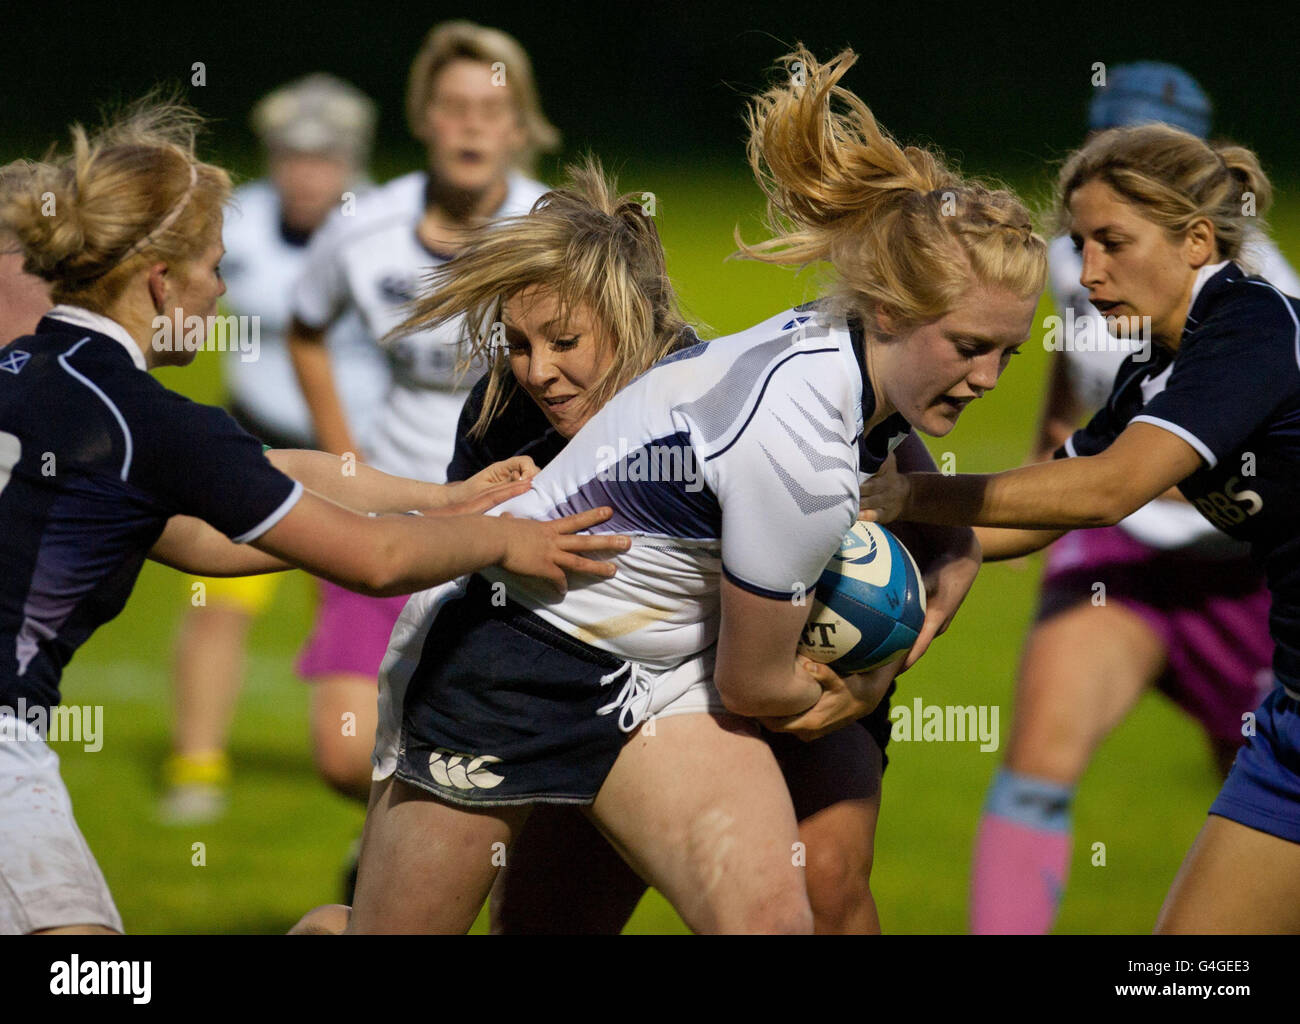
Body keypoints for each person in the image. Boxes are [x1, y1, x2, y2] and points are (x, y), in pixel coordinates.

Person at [300, 46, 1045, 934]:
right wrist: (866, 685)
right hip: (515, 663)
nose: (992, 377)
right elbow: (762, 683)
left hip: (670, 679)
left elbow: (905, 465)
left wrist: (946, 558)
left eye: (1009, 351)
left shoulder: (847, 349)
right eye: (969, 347)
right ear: (889, 311)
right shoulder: (795, 442)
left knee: (778, 918)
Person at [0, 97, 625, 935]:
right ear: (161, 282)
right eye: (214, 269)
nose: (221, 291)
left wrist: (444, 499)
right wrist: (507, 538)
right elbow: (372, 561)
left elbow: (214, 530)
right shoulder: (143, 419)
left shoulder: (34, 373)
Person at [860, 120, 1300, 933]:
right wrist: (851, 548)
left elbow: (1107, 491)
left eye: (1112, 243)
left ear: (1198, 240)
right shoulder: (1154, 371)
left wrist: (909, 500)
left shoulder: (1254, 326)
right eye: (1078, 244)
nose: (1088, 272)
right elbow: (1041, 506)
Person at [287, 21, 560, 802]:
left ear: (519, 123)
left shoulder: (557, 231)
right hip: (390, 509)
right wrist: (346, 464)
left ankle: (401, 877)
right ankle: (380, 854)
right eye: (452, 105)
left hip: (514, 519)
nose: (471, 122)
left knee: (479, 754)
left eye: (490, 106)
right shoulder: (364, 225)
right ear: (423, 118)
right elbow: (306, 329)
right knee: (345, 754)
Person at [162, 74, 391, 824]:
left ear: (353, 160)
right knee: (217, 602)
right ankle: (195, 770)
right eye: (291, 155)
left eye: (323, 158)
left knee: (377, 603)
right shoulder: (236, 223)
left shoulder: (383, 231)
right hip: (253, 447)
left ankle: (388, 773)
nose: (306, 173)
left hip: (360, 460)